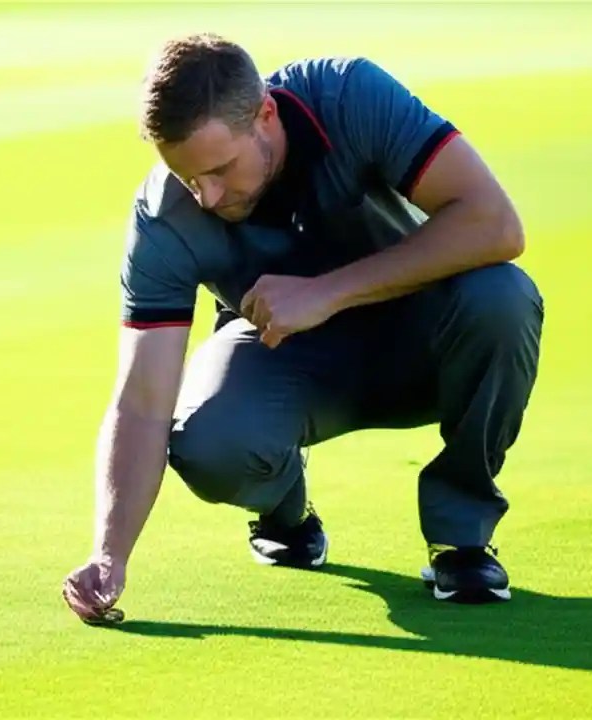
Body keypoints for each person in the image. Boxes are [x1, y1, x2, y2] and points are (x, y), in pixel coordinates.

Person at [62, 34, 544, 619]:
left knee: (503, 297)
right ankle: (286, 513)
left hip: (426, 339)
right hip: (285, 358)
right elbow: (141, 401)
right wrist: (109, 556)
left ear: (265, 113)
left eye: (220, 169)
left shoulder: (348, 95)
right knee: (211, 442)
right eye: (190, 178)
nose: (207, 196)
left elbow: (495, 224)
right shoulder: (164, 213)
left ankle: (461, 537)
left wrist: (327, 293)